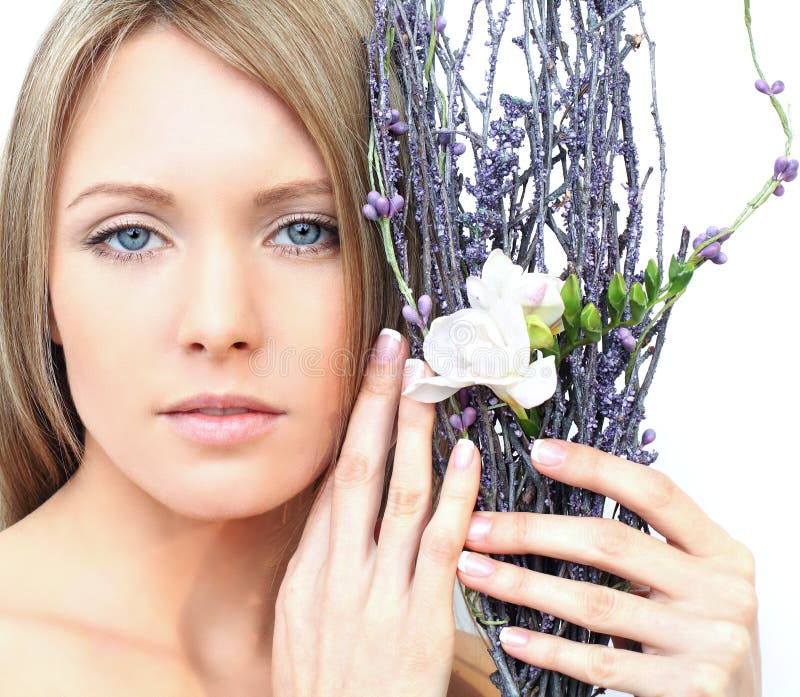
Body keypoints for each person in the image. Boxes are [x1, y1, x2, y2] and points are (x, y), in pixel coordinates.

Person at [0, 2, 760, 695]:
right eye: (130, 235)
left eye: (305, 231)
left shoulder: (479, 677)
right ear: (39, 283)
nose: (220, 320)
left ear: (403, 266)